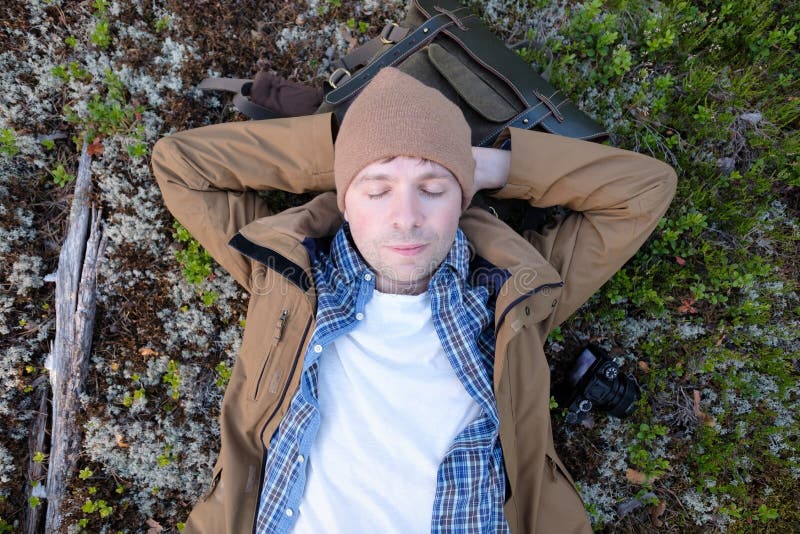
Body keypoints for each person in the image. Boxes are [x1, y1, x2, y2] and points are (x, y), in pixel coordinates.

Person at [152, 67, 677, 533]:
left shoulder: (515, 294)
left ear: (463, 199)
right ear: (343, 200)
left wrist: (486, 166)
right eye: (377, 191)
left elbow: (643, 188)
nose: (405, 216)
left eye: (433, 188)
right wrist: (352, 151)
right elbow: (180, 164)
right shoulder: (286, 278)